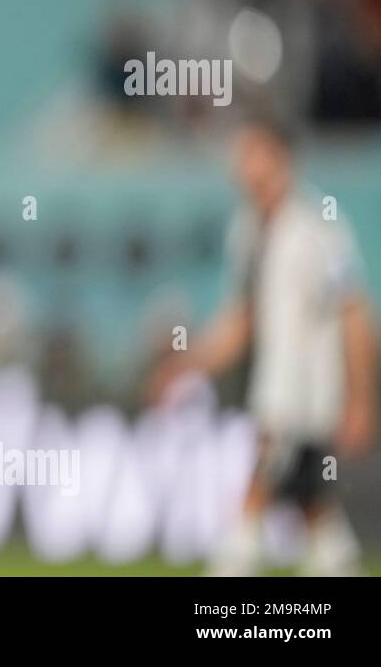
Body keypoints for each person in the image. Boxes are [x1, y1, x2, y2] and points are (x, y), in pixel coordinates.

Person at [151, 112, 376, 576]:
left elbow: (354, 314)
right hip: (275, 392)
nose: (243, 166)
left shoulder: (317, 230)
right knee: (315, 512)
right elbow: (241, 321)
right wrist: (188, 365)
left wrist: (361, 399)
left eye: (254, 154)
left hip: (305, 398)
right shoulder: (248, 231)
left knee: (254, 494)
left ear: (282, 159)